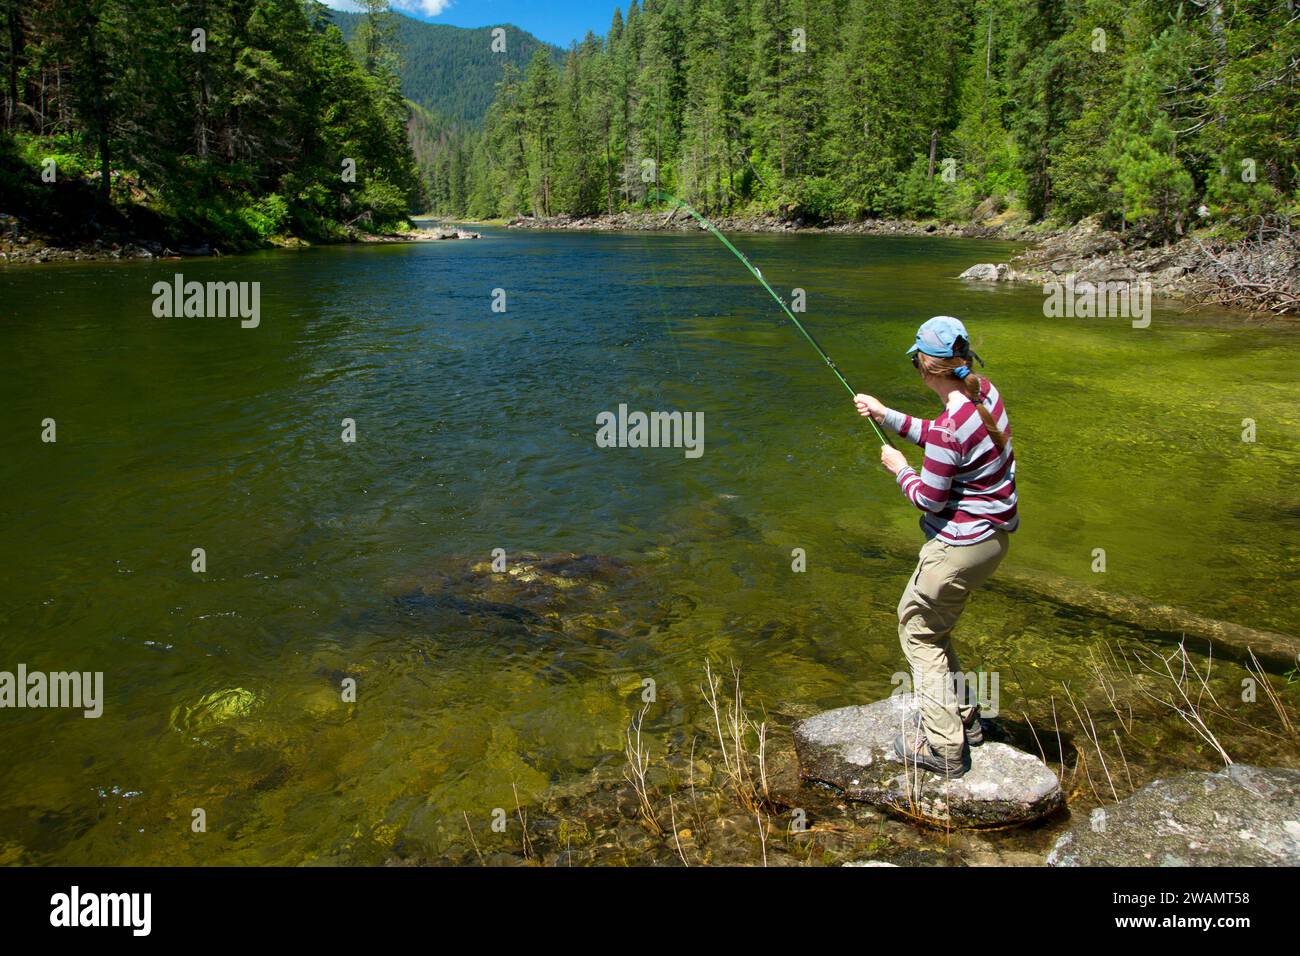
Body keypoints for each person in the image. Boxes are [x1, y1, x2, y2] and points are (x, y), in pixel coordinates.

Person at [854, 316, 1018, 777]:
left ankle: (945, 749)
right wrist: (887, 416)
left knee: (918, 631)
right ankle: (967, 722)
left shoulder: (951, 427)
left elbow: (929, 496)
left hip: (958, 549)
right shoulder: (984, 395)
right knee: (936, 628)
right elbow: (947, 437)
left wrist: (899, 468)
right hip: (993, 541)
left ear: (925, 368)